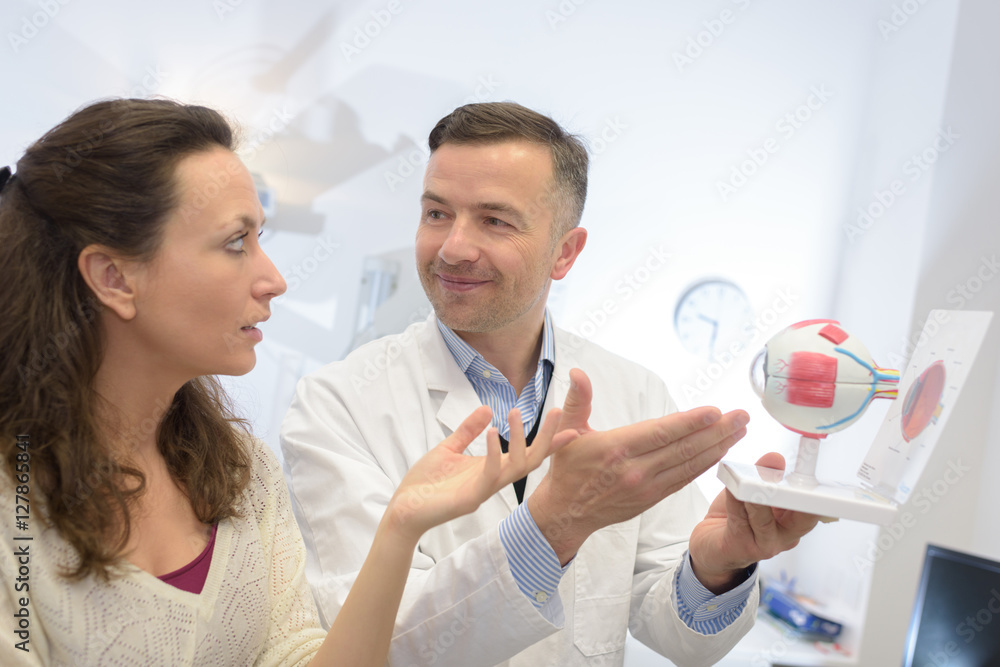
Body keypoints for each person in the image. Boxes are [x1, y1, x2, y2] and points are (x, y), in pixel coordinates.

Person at [0, 98, 571, 666]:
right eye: (234, 243)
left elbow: (296, 656)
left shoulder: (239, 471)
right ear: (114, 277)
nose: (273, 279)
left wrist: (401, 527)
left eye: (495, 219)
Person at [281, 102, 821, 666]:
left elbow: (677, 635)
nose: (452, 248)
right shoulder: (338, 404)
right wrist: (555, 525)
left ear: (565, 251)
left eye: (494, 220)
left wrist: (717, 566)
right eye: (437, 213)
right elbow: (374, 643)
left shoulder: (634, 392)